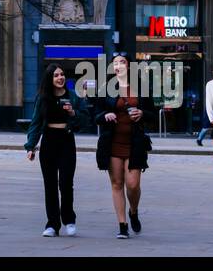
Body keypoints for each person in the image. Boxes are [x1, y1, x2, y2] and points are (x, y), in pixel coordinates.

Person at [93, 54, 156, 239]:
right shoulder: (106, 89)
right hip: (112, 143)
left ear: (129, 66)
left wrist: (142, 113)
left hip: (135, 143)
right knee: (117, 183)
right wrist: (105, 116)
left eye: (122, 62)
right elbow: (95, 115)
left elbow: (152, 115)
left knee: (133, 185)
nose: (118, 65)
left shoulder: (141, 88)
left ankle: (133, 211)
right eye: (115, 63)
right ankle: (122, 225)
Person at [25, 64, 87, 237]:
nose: (60, 77)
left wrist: (73, 113)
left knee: (66, 183)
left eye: (62, 74)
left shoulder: (73, 96)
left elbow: (85, 120)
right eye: (56, 75)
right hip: (49, 142)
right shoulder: (43, 98)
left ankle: (69, 220)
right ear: (50, 79)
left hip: (66, 141)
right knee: (50, 184)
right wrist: (31, 146)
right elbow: (35, 123)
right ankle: (52, 224)